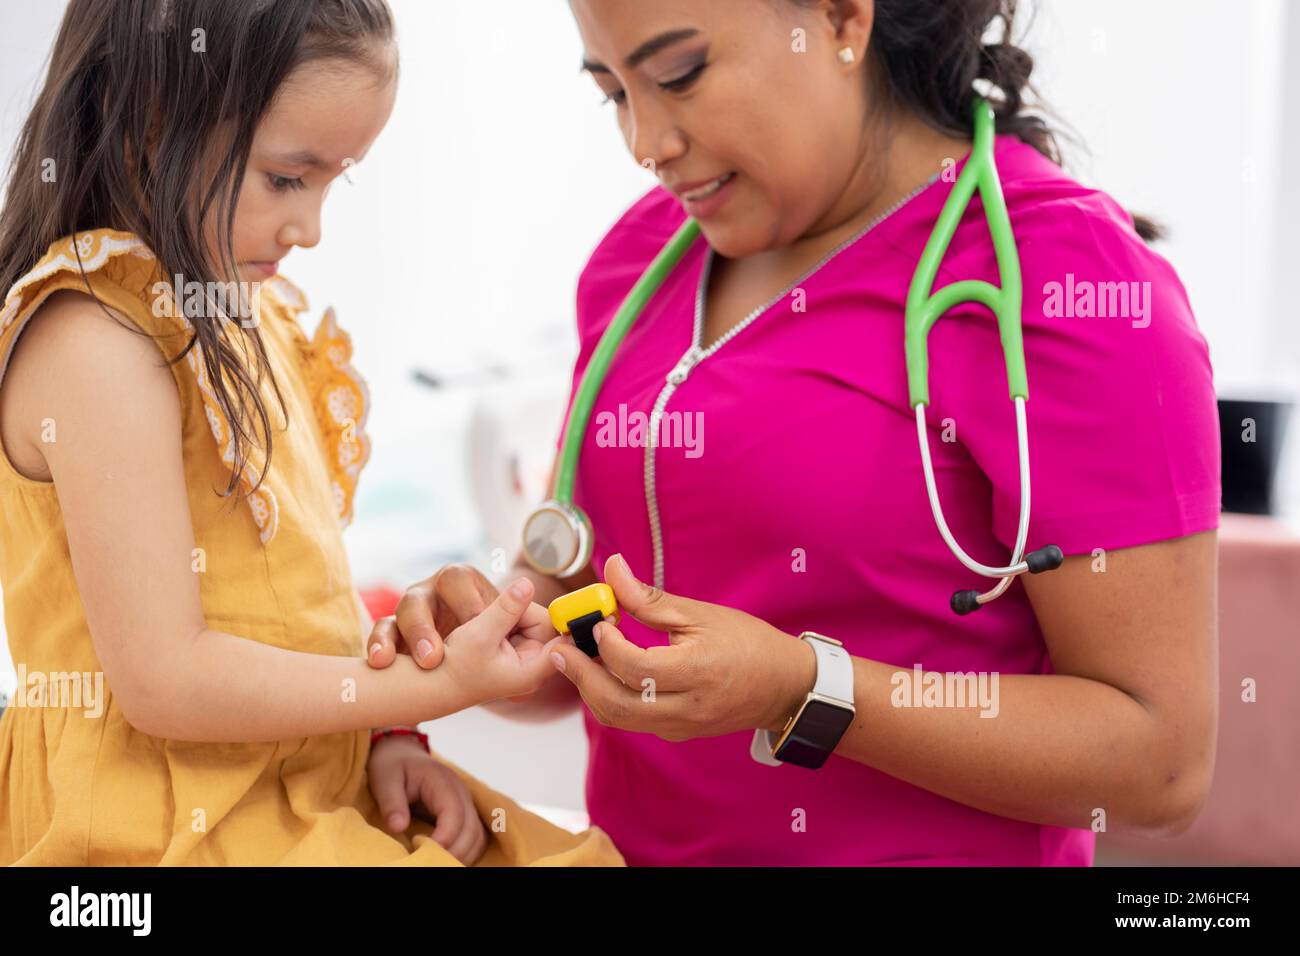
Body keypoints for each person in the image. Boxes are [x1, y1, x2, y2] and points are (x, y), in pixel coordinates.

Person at [369, 0, 1220, 866]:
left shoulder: (1066, 281)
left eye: (679, 76)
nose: (646, 143)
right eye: (614, 93)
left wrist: (804, 691)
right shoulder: (638, 265)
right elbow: (580, 600)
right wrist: (507, 628)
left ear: (844, 20)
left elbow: (1160, 764)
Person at [0, 0, 621, 867]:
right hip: (159, 814)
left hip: (298, 779)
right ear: (150, 121)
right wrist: (436, 683)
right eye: (289, 179)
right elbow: (165, 681)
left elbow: (296, 616)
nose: (311, 228)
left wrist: (390, 737)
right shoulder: (97, 339)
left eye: (337, 179)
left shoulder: (248, 315)